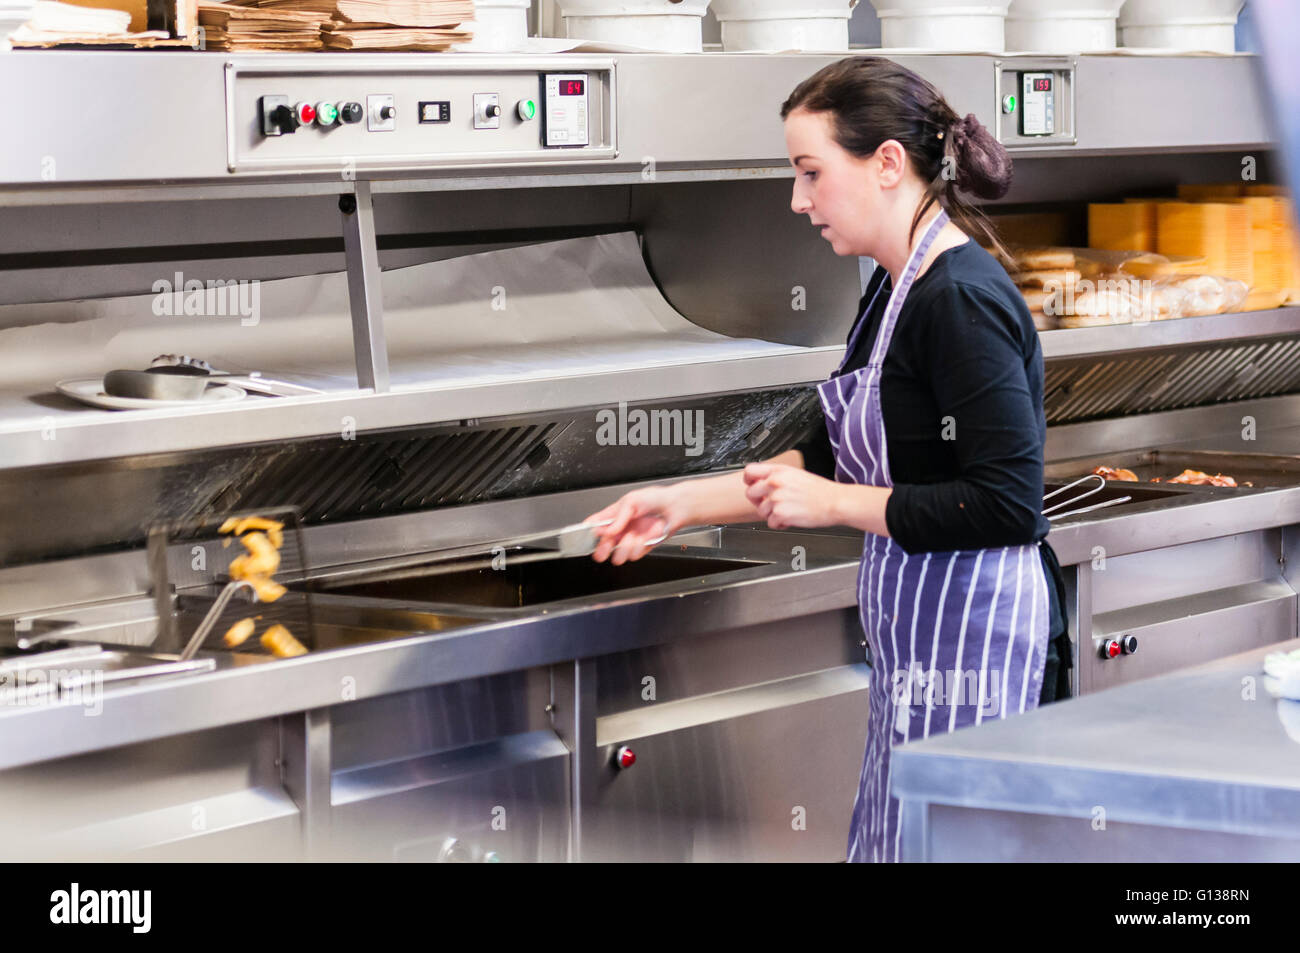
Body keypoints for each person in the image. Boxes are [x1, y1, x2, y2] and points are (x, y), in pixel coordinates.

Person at [584, 56, 1069, 863]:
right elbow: (835, 452)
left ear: (886, 163)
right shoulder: (890, 287)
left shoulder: (959, 298)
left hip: (976, 653)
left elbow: (1005, 504)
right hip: (918, 658)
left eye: (811, 172)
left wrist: (837, 508)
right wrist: (683, 503)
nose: (797, 199)